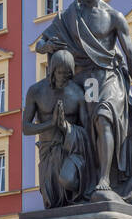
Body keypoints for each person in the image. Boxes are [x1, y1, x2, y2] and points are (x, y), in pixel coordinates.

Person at [35, 0, 132, 206]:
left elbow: (130, 56)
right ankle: (79, 183)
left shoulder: (114, 17)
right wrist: (45, 47)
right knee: (84, 127)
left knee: (103, 117)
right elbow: (41, 41)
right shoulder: (71, 14)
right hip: (84, 80)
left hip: (108, 76)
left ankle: (104, 180)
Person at [22, 49, 96, 207]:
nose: (64, 77)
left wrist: (65, 127)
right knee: (52, 199)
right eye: (60, 73)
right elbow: (26, 128)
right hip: (47, 150)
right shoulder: (36, 91)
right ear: (52, 70)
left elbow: (86, 131)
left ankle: (84, 199)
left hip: (72, 150)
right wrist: (51, 123)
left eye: (68, 74)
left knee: (67, 180)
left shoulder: (77, 94)